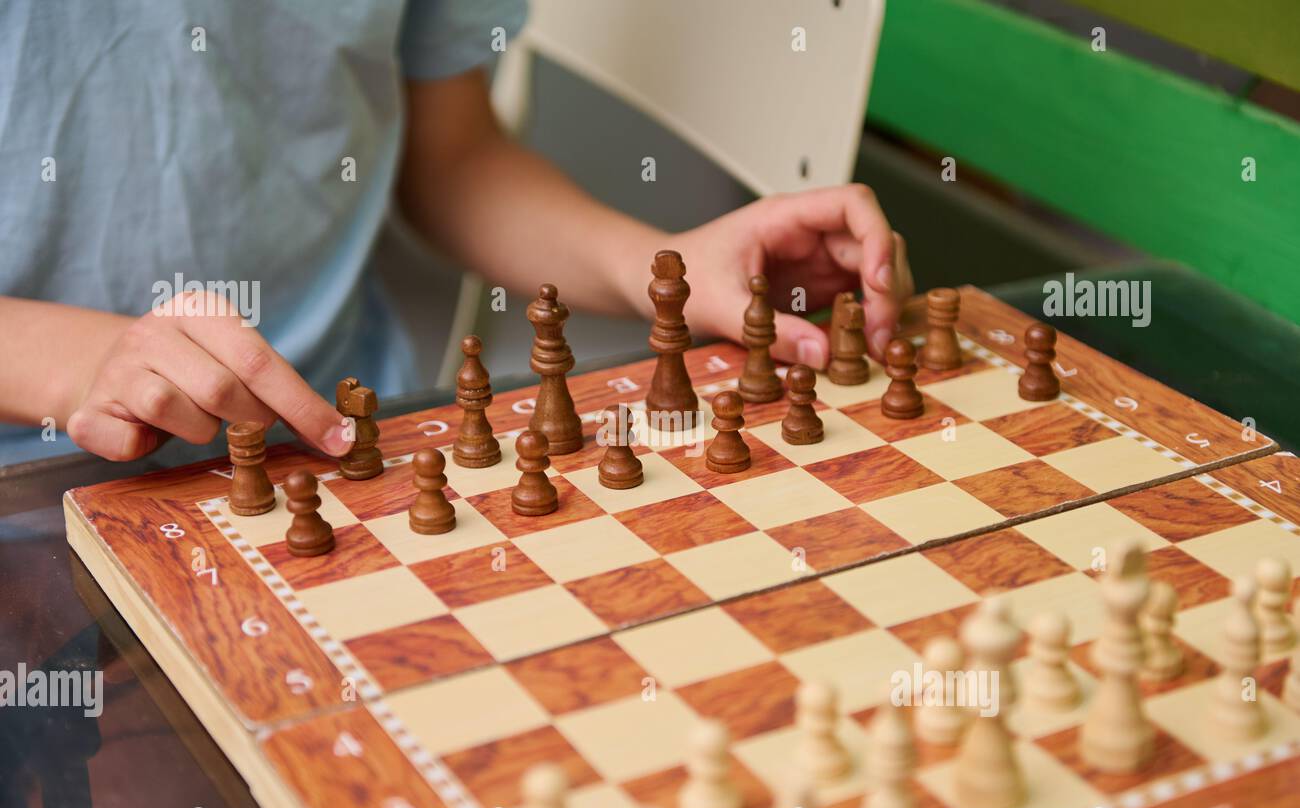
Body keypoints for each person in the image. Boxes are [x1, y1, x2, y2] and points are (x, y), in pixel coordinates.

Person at [0, 0, 912, 465]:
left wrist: (664, 268)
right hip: (25, 467)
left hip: (338, 436)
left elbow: (452, 156)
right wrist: (82, 366)